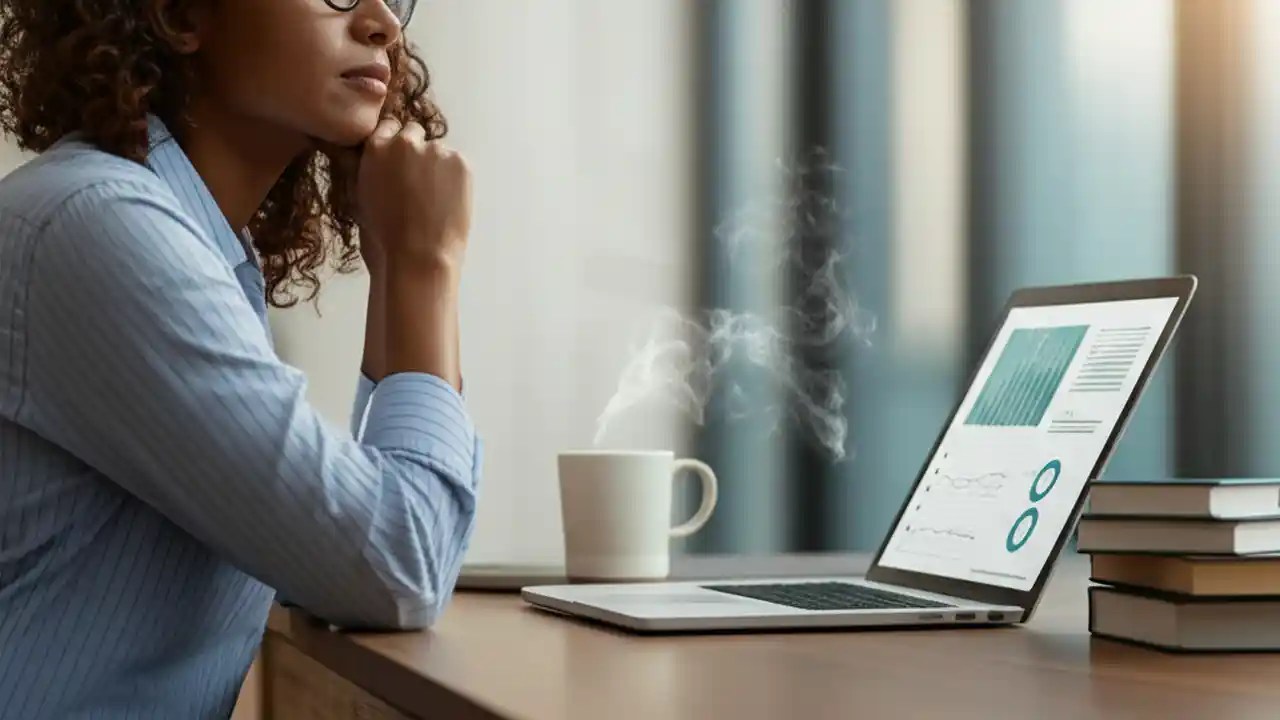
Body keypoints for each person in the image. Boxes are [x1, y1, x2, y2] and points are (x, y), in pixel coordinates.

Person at [0, 0, 482, 716]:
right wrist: (422, 270)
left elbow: (324, 550)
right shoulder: (100, 225)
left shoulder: (187, 240)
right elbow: (398, 564)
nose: (383, 22)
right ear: (182, 14)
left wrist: (393, 263)